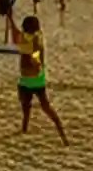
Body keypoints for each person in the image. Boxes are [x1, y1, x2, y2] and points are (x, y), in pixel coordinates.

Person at [6, 13, 68, 146]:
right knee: (46, 107)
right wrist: (10, 19)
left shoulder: (28, 42)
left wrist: (10, 19)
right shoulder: (38, 38)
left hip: (27, 80)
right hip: (39, 80)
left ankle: (24, 128)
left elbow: (17, 38)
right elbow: (18, 36)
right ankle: (61, 132)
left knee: (25, 106)